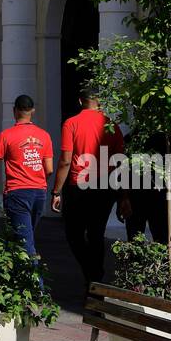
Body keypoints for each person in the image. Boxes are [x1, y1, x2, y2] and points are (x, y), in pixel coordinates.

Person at [52, 85, 125, 290]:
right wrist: (123, 195)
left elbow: (66, 160)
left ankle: (92, 275)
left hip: (79, 186)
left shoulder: (71, 123)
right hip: (106, 186)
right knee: (96, 233)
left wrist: (56, 191)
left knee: (74, 234)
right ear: (99, 100)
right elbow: (120, 161)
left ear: (79, 101)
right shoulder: (111, 125)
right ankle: (95, 276)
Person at [0, 95, 53, 260]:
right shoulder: (44, 136)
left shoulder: (7, 136)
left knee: (24, 241)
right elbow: (49, 169)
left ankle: (36, 284)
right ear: (32, 111)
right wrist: (37, 181)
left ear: (14, 111)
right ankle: (9, 275)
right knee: (23, 235)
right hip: (39, 193)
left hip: (17, 193)